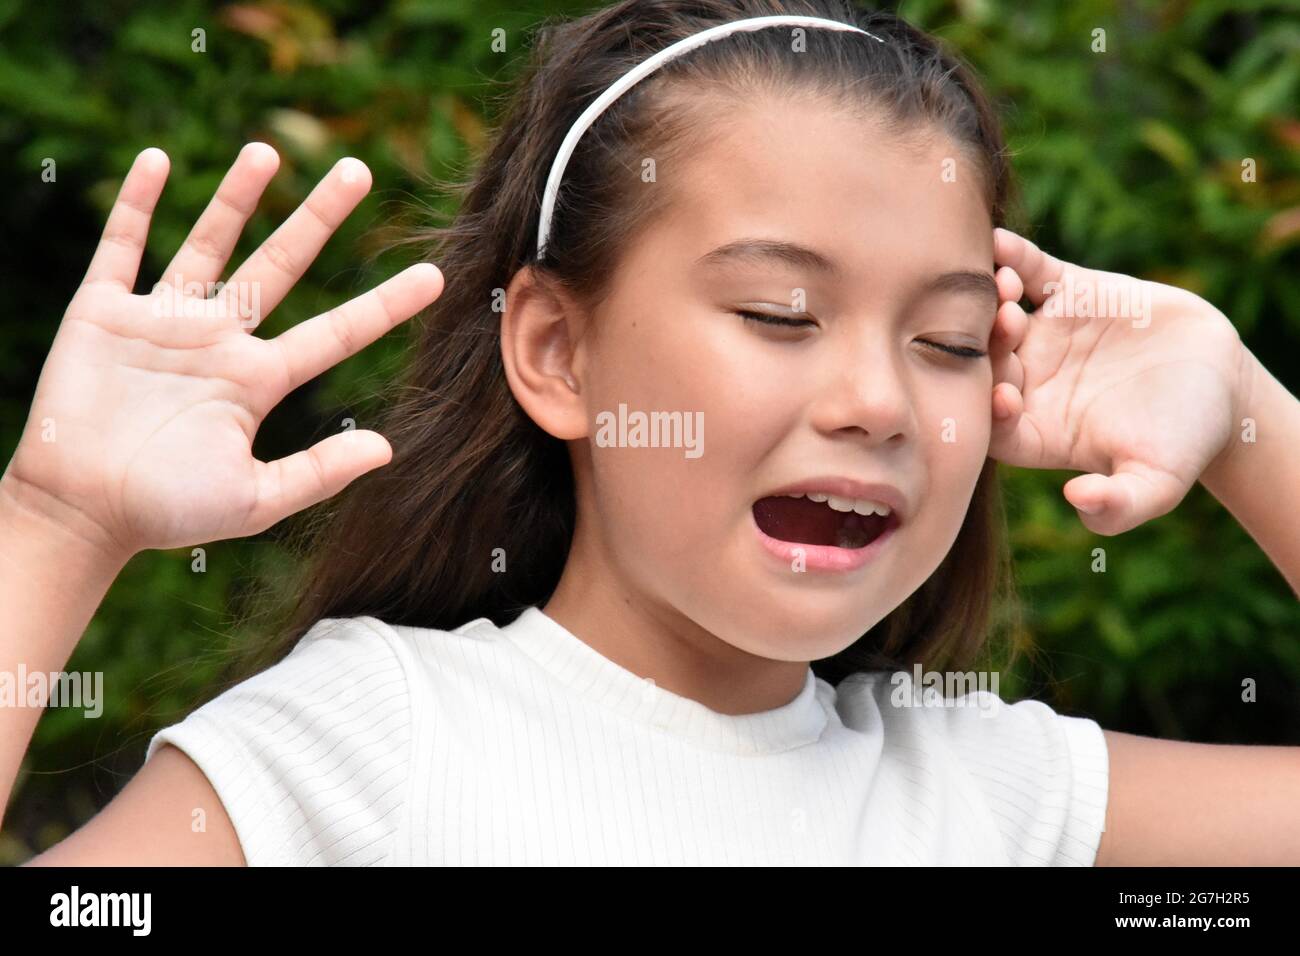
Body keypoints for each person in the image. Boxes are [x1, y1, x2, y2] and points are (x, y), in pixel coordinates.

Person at [3, 0, 1297, 865]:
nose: (882, 402)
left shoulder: (992, 790)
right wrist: (54, 526)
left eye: (951, 342)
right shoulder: (368, 743)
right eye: (780, 313)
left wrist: (1243, 413)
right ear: (558, 352)